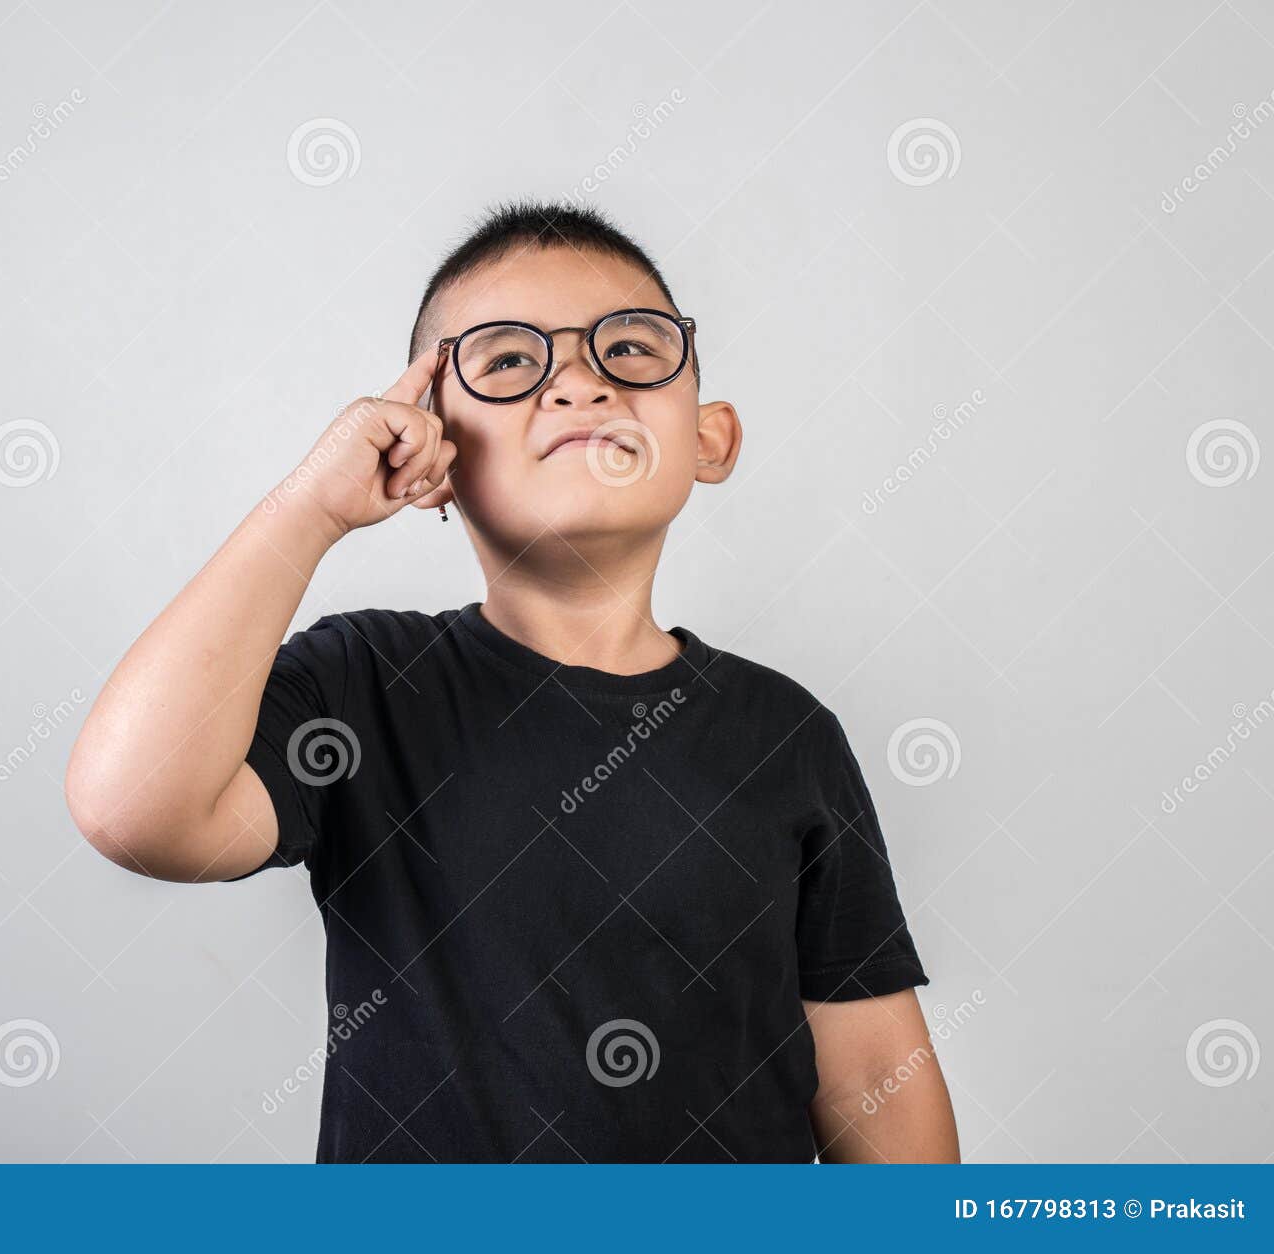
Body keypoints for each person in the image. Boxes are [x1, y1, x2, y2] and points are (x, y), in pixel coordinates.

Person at [65, 200, 961, 1163]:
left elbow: (874, 1073)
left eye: (630, 350)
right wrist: (308, 509)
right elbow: (136, 812)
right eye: (506, 361)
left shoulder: (786, 734)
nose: (577, 384)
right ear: (431, 459)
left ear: (710, 439)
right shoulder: (364, 687)